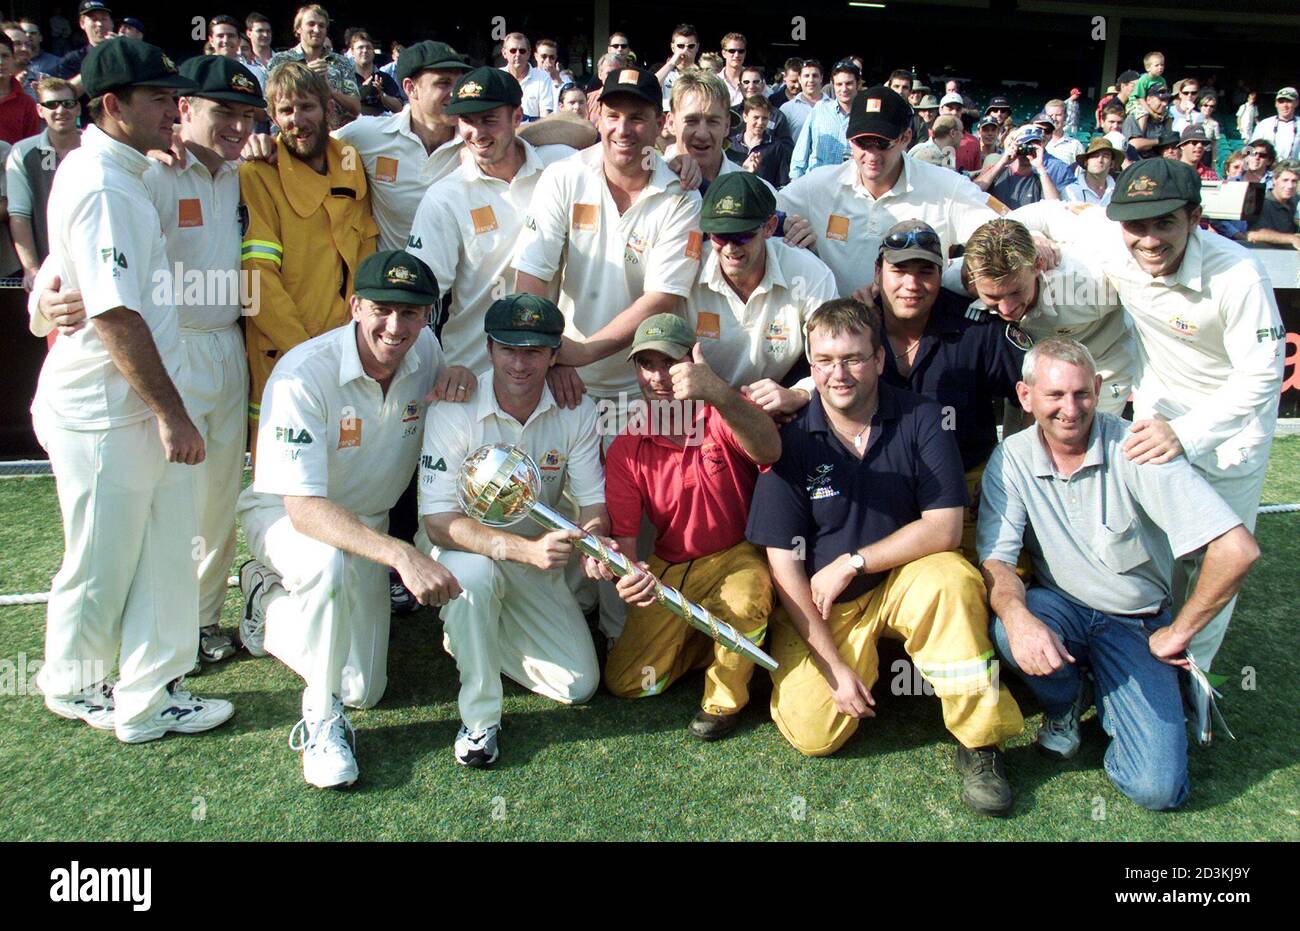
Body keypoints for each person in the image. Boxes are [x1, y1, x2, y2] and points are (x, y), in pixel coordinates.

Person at [26, 37, 235, 744]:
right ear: (112, 105)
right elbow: (114, 313)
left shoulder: (124, 170)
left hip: (137, 409)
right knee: (102, 554)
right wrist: (171, 414)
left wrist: (40, 304)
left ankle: (149, 693)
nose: (174, 110)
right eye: (158, 99)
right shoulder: (102, 183)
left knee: (161, 548)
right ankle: (77, 682)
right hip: (105, 415)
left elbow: (61, 279)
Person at [745, 298, 1024, 814]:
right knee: (814, 734)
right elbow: (785, 568)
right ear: (810, 366)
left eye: (852, 358)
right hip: (829, 607)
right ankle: (859, 667)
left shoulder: (920, 416)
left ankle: (980, 742)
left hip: (901, 578)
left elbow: (942, 528)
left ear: (878, 360)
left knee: (952, 579)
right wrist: (832, 667)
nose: (838, 374)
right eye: (824, 361)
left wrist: (854, 560)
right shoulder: (792, 439)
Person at [1009, 159, 1284, 680]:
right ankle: (1134, 659)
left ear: (1195, 218)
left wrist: (1186, 434)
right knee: (1154, 547)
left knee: (1214, 557)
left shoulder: (1239, 275)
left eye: (1165, 223)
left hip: (1229, 434)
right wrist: (1028, 241)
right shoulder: (1108, 236)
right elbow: (1039, 210)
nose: (1149, 239)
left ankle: (1190, 677)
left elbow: (1262, 377)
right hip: (1156, 416)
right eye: (1137, 225)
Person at [979, 337, 1259, 809]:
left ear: (1100, 388)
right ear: (1026, 397)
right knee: (1008, 629)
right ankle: (1066, 703)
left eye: (1082, 393)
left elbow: (1237, 549)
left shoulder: (1137, 448)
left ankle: (1115, 696)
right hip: (1061, 607)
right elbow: (998, 562)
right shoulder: (1010, 458)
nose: (1071, 409)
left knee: (1157, 789)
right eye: (1055, 395)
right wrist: (1018, 617)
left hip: (1137, 623)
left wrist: (1178, 633)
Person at [238, 250, 467, 787]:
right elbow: (304, 508)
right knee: (325, 565)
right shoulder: (302, 374)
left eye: (410, 313)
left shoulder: (426, 350)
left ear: (427, 316)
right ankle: (319, 720)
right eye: (382, 309)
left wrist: (459, 378)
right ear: (355, 306)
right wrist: (400, 553)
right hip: (288, 514)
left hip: (364, 523)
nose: (395, 326)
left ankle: (265, 601)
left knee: (365, 688)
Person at [418, 294, 606, 768]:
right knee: (477, 580)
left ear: (554, 354)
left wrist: (595, 540)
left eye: (534, 352)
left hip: (530, 554)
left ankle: (466, 629)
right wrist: (524, 551)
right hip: (464, 550)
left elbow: (593, 506)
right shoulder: (454, 407)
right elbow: (437, 523)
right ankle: (480, 720)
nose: (520, 364)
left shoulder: (576, 409)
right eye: (508, 349)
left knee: (579, 686)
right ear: (489, 348)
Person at [140, 56, 265, 668]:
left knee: (219, 495)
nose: (238, 127)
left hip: (226, 343)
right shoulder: (153, 173)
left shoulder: (243, 174)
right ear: (183, 109)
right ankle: (160, 627)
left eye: (247, 115)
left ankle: (204, 620)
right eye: (224, 112)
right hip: (173, 344)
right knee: (173, 497)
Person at [604, 312, 780, 739]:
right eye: (647, 364)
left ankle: (724, 699)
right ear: (635, 370)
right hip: (672, 564)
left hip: (738, 554)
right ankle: (711, 641)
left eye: (670, 362)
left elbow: (769, 447)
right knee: (628, 683)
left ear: (693, 360)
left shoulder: (724, 410)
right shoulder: (626, 447)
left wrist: (718, 392)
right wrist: (627, 575)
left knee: (745, 597)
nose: (659, 377)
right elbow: (625, 544)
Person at [512, 65, 702, 421]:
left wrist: (580, 352)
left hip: (642, 388)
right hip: (561, 379)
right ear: (598, 116)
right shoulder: (564, 176)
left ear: (662, 124)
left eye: (637, 118)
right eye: (613, 115)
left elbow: (662, 298)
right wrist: (549, 353)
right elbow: (532, 277)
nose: (622, 130)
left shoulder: (681, 196)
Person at [866, 220, 1024, 561]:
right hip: (879, 493)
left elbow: (1033, 397)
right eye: (899, 270)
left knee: (1005, 577)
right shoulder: (856, 327)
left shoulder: (977, 328)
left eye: (926, 271)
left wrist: (1009, 467)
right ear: (878, 272)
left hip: (967, 488)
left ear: (942, 274)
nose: (912, 284)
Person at [239, 60, 379, 442]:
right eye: (285, 110)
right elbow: (258, 280)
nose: (296, 120)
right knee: (286, 480)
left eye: (306, 107)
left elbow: (364, 255)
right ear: (271, 116)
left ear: (328, 109)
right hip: (286, 351)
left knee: (350, 465)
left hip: (348, 345)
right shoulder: (257, 173)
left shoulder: (349, 161)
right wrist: (307, 353)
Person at [406, 66, 574, 377]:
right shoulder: (445, 197)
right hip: (472, 373)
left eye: (489, 119)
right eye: (467, 121)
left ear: (517, 116)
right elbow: (420, 298)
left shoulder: (558, 165)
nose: (477, 132)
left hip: (550, 370)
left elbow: (586, 130)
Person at [777, 86, 998, 296]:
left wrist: (956, 274)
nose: (872, 156)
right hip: (841, 328)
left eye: (882, 144)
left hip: (917, 329)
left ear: (906, 138)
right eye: (862, 143)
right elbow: (761, 208)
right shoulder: (818, 185)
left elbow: (1004, 231)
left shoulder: (946, 187)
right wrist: (783, 222)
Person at [956, 217, 1134, 417]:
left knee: (1085, 439)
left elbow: (1098, 219)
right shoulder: (960, 279)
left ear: (1038, 265)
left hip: (1103, 366)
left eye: (1016, 292)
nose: (1006, 309)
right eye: (992, 296)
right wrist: (1035, 233)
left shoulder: (1094, 286)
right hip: (1033, 373)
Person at [684, 171, 836, 402]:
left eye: (742, 236)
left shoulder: (809, 272)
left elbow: (835, 353)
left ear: (770, 227)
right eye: (720, 236)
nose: (730, 248)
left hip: (779, 406)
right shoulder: (688, 270)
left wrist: (799, 394)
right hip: (702, 405)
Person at [8, 77, 80, 293]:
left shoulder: (97, 147)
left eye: (67, 104)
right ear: (39, 110)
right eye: (52, 105)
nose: (60, 110)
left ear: (77, 108)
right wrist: (31, 269)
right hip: (50, 268)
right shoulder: (23, 153)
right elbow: (19, 215)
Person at [267, 5, 361, 130]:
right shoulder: (280, 61)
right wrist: (305, 77)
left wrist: (331, 91)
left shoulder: (341, 63)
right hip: (292, 136)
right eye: (311, 24)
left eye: (321, 26)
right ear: (298, 28)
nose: (316, 30)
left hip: (335, 138)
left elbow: (356, 108)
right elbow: (269, 107)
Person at [975, 124, 1063, 209]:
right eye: (1024, 145)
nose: (1028, 150)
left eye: (1033, 147)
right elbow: (972, 191)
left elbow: (1056, 207)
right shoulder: (998, 172)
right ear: (1014, 145)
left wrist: (1040, 168)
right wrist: (1003, 160)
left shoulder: (1041, 179)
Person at [728, 93, 792, 188]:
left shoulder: (776, 147)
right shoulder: (731, 145)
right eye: (756, 117)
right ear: (745, 117)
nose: (760, 123)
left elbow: (782, 184)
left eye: (765, 118)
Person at [51, 1, 114, 93]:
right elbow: (65, 94)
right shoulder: (73, 60)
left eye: (104, 19)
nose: (100, 24)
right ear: (82, 23)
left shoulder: (126, 52)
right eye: (94, 19)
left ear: (112, 23)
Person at [1245, 158, 1300, 249]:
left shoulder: (1296, 201)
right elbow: (1253, 234)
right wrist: (1292, 239)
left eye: (1294, 181)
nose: (1290, 186)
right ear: (1274, 179)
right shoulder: (1263, 203)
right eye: (1285, 180)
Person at [499, 32, 555, 121]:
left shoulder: (543, 78)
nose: (517, 54)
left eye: (522, 51)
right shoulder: (497, 77)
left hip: (531, 132)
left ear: (528, 54)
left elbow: (545, 115)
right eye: (513, 50)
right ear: (504, 53)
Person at [0, 33, 40, 143]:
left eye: (5, 56)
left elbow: (32, 145)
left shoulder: (26, 103)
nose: (1, 62)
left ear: (13, 59)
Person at [351, 31, 401, 116]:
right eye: (360, 47)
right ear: (352, 52)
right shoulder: (345, 78)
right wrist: (361, 93)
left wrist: (382, 95)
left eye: (368, 47)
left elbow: (399, 108)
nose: (365, 50)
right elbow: (339, 108)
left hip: (381, 124)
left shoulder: (384, 77)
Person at [1122, 81, 1171, 162]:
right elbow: (1134, 144)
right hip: (1139, 164)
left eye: (1166, 100)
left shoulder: (1165, 120)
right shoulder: (1134, 118)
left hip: (1160, 163)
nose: (1165, 104)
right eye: (1161, 100)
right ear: (1148, 100)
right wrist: (1160, 141)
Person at [654, 23, 699, 110]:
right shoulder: (661, 70)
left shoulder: (703, 73)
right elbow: (650, 86)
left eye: (691, 46)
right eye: (680, 46)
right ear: (673, 47)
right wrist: (671, 64)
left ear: (697, 47)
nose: (685, 50)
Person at [1065, 136, 1120, 206]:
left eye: (1106, 156)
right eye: (1095, 156)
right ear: (1086, 162)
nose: (1100, 160)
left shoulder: (1119, 192)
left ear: (1112, 164)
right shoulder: (1071, 190)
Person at [1250, 86, 1300, 162]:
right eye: (1281, 101)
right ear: (1276, 104)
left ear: (1296, 103)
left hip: (1293, 170)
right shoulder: (1264, 124)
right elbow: (1250, 149)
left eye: (1289, 101)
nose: (1285, 105)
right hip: (1269, 170)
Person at [779, 58, 822, 142]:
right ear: (800, 79)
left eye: (815, 76)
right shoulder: (786, 109)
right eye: (806, 76)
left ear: (821, 78)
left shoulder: (833, 107)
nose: (811, 80)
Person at [1043, 99, 1084, 164]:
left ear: (1065, 117)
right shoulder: (1038, 142)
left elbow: (1080, 172)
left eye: (1058, 115)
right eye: (1050, 116)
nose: (1054, 118)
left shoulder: (1075, 145)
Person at [242, 12, 275, 90]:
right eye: (260, 31)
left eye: (268, 31)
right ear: (249, 33)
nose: (265, 35)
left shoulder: (283, 60)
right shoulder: (244, 64)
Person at [717, 31, 749, 106]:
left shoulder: (755, 81)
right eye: (732, 51)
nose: (736, 55)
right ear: (723, 53)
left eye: (741, 51)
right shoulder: (714, 81)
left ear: (745, 53)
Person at [1130, 51, 1166, 116]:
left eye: (1162, 65)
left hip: (1152, 103)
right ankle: (1141, 126)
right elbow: (1140, 99)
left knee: (1168, 115)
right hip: (1136, 103)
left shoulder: (1162, 81)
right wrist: (1152, 113)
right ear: (1148, 68)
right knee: (1143, 114)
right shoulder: (1143, 80)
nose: (1160, 67)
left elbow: (1162, 97)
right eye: (1157, 65)